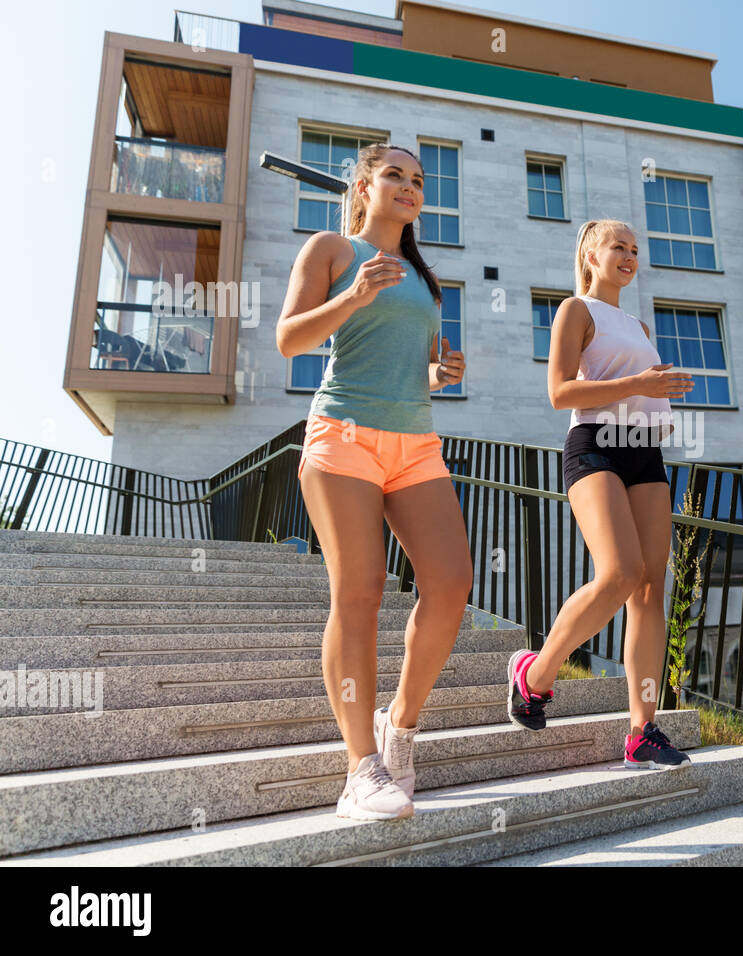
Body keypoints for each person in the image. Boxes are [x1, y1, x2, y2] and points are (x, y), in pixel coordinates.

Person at [276, 143, 471, 820]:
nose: (410, 186)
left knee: (450, 585)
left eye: (418, 179)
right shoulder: (331, 249)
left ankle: (401, 726)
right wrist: (354, 294)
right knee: (359, 589)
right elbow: (290, 339)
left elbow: (408, 369)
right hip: (343, 436)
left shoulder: (426, 279)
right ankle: (361, 766)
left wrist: (436, 376)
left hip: (414, 443)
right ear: (363, 185)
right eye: (395, 174)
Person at [505, 219, 695, 769]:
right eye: (619, 246)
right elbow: (561, 390)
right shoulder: (575, 310)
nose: (630, 256)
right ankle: (534, 675)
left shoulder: (637, 323)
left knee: (651, 589)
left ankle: (643, 730)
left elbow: (641, 386)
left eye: (636, 249)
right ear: (591, 253)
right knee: (619, 573)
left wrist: (658, 410)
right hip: (593, 446)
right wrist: (639, 386)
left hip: (643, 451)